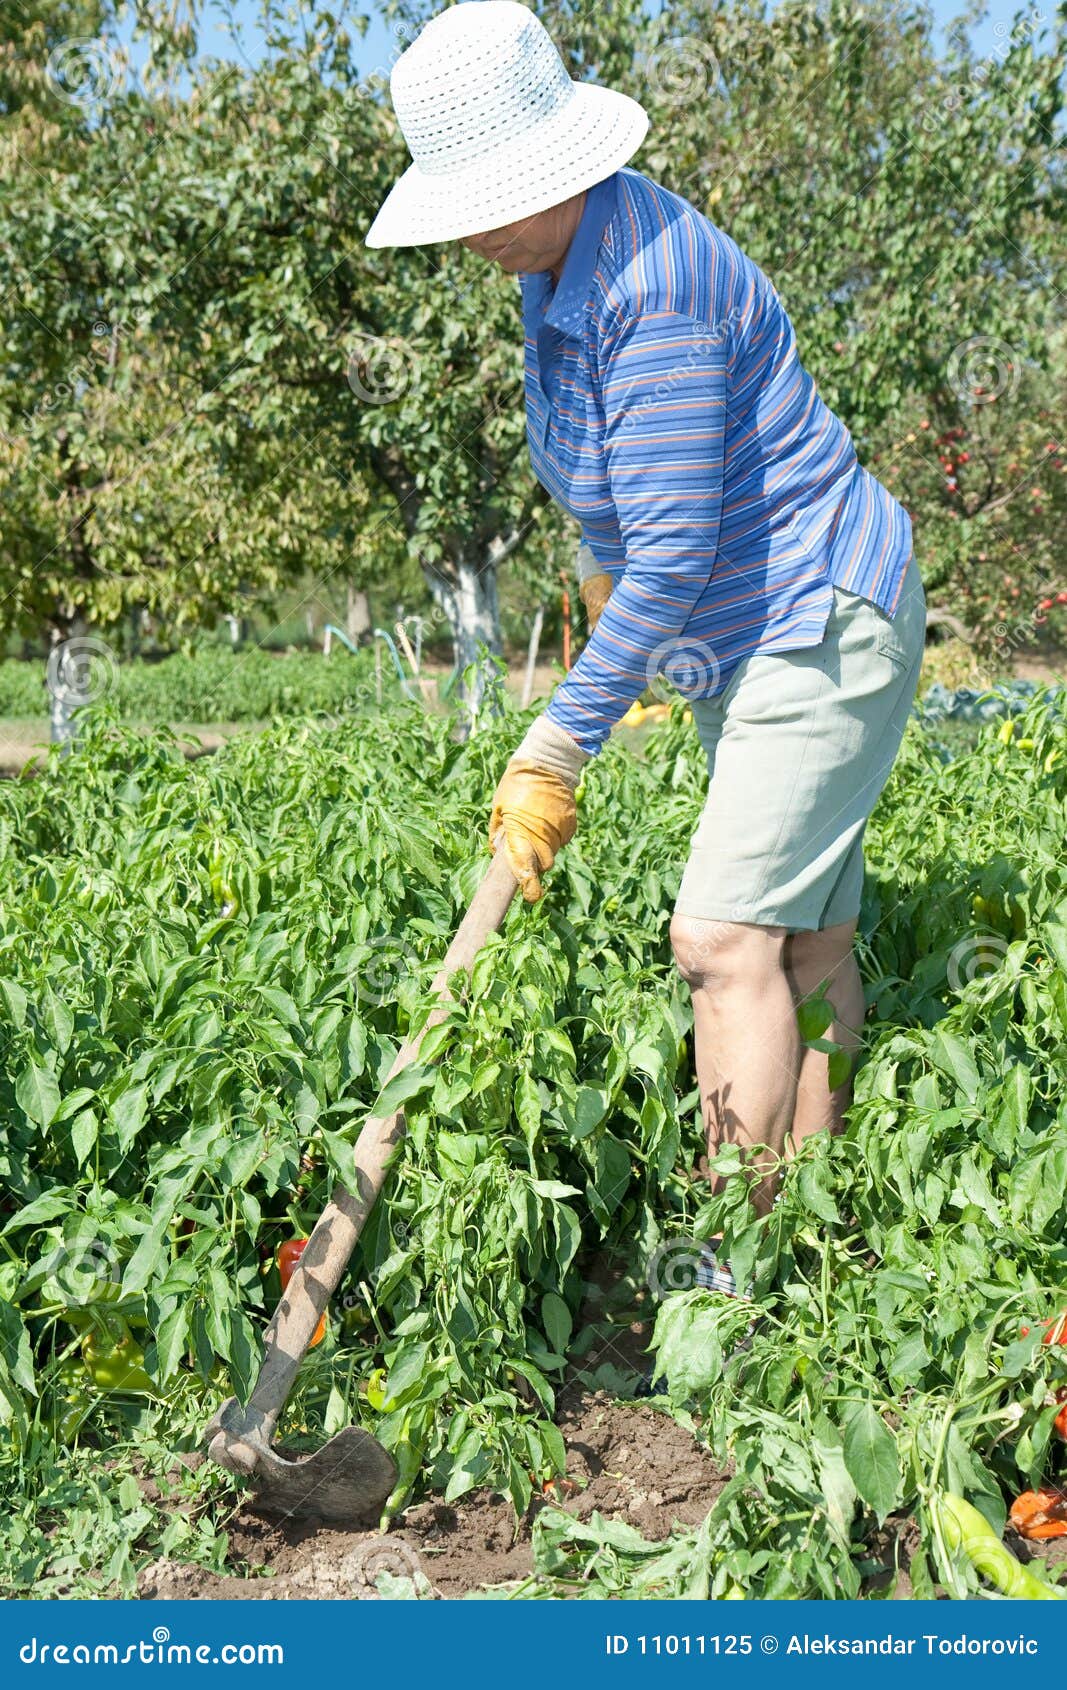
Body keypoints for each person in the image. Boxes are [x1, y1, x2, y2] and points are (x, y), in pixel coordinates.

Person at [366, 1, 925, 1293]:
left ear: (555, 163)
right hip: (761, 638)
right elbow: (618, 522)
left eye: (486, 195)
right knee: (805, 944)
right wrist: (633, 675)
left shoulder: (649, 284)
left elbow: (674, 553)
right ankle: (809, 1249)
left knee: (720, 940)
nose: (471, 228)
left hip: (816, 617)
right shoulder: (557, 272)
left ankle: (731, 1265)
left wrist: (559, 738)